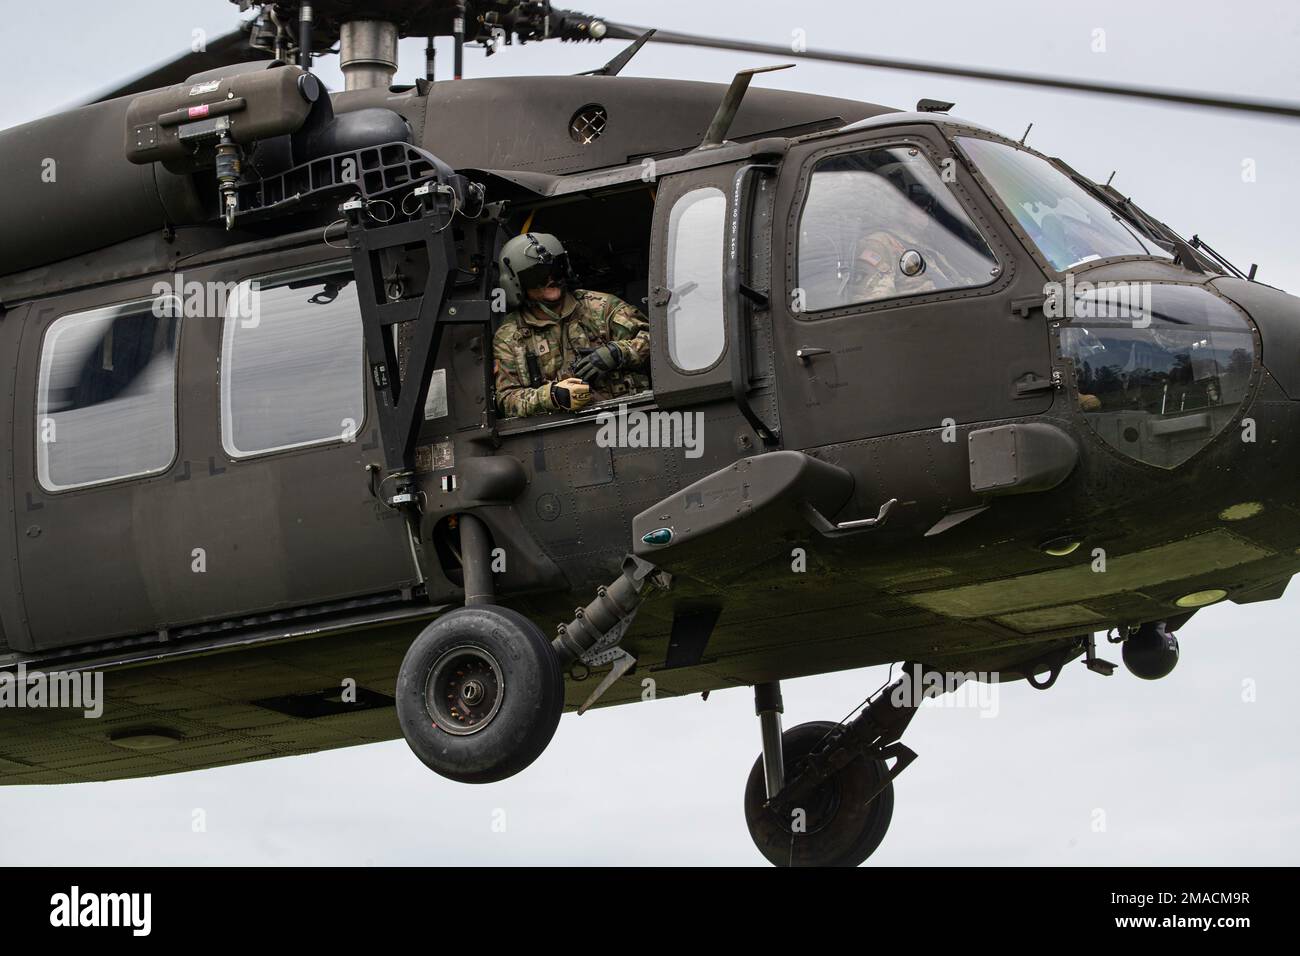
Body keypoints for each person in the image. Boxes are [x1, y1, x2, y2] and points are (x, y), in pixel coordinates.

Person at [492, 232, 650, 418]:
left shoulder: (601, 307)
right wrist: (552, 396)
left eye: (556, 269)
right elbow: (507, 399)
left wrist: (618, 353)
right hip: (561, 431)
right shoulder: (510, 336)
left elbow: (654, 340)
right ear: (517, 284)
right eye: (538, 275)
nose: (550, 278)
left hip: (628, 417)